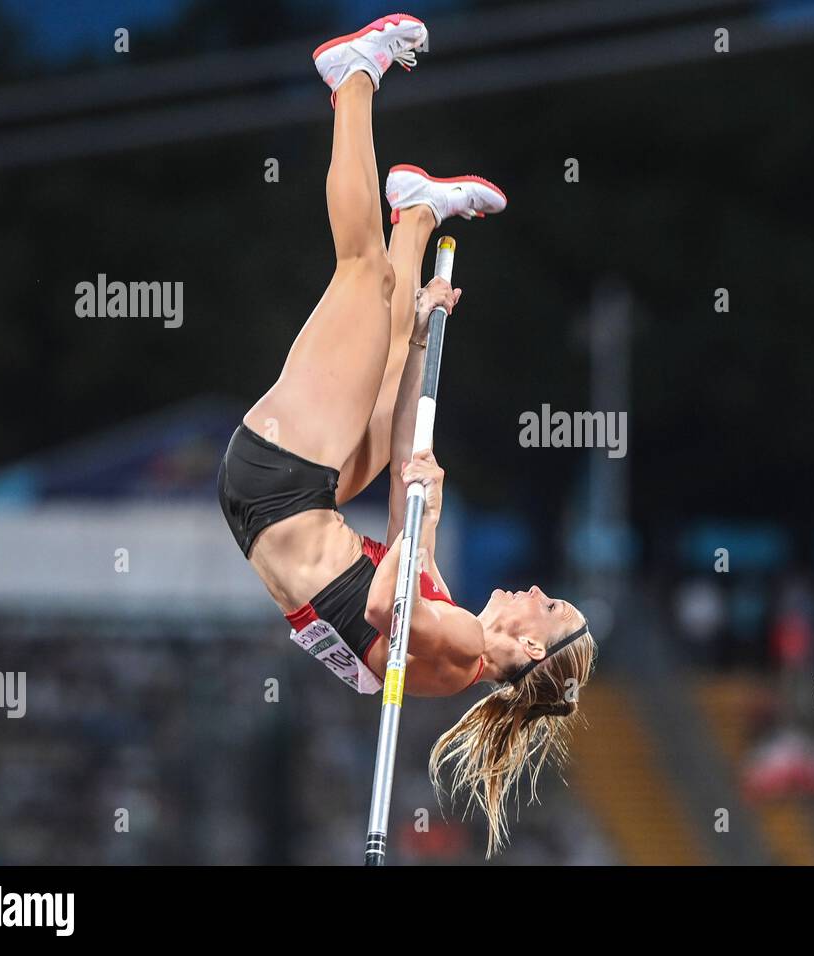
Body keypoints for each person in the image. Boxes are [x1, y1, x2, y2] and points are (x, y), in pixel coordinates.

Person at [214, 14, 595, 855]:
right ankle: (416, 217)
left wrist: (420, 523)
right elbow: (397, 502)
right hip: (284, 502)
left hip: (278, 482)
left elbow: (388, 593)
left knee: (362, 274)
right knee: (392, 372)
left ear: (529, 646)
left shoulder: (464, 644)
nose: (538, 590)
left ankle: (352, 78)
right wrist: (422, 338)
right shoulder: (454, 651)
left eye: (551, 607)